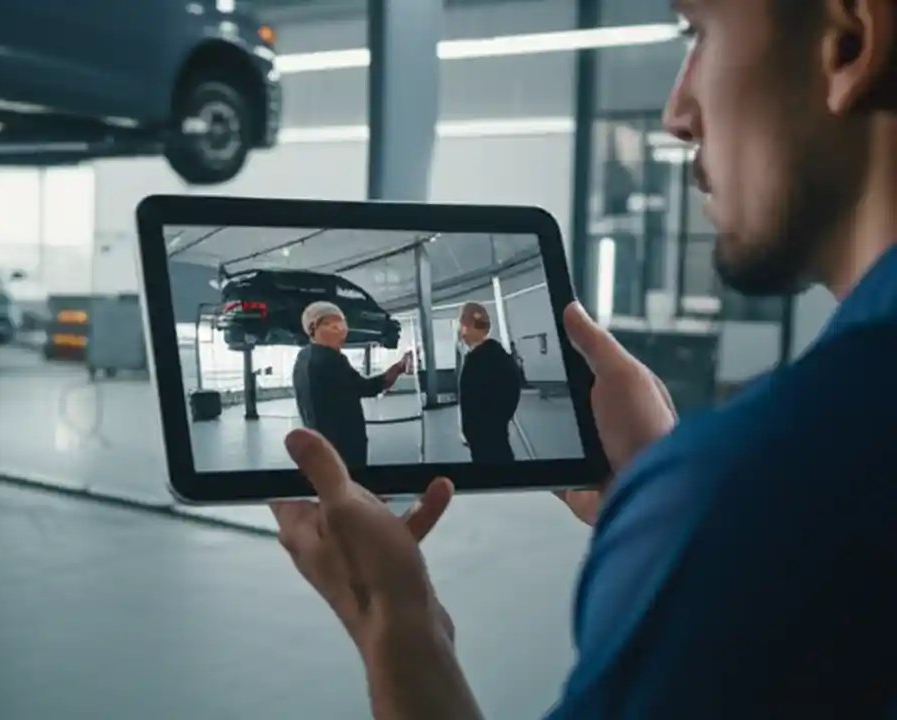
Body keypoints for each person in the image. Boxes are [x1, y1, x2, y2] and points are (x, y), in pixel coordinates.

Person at [270, 0, 897, 717]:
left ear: (849, 41)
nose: (677, 112)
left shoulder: (764, 493)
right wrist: (655, 481)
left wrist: (399, 630)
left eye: (698, 33)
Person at [292, 301, 411, 468]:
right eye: (327, 323)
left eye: (340, 322)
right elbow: (367, 387)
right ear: (312, 329)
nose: (337, 328)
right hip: (342, 443)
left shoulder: (304, 356)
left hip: (319, 440)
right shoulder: (330, 359)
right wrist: (398, 368)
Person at [456, 302, 522, 463]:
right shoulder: (501, 356)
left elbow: (470, 401)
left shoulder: (475, 362)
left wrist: (470, 432)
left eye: (461, 324)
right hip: (498, 433)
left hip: (484, 440)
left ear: (466, 327)